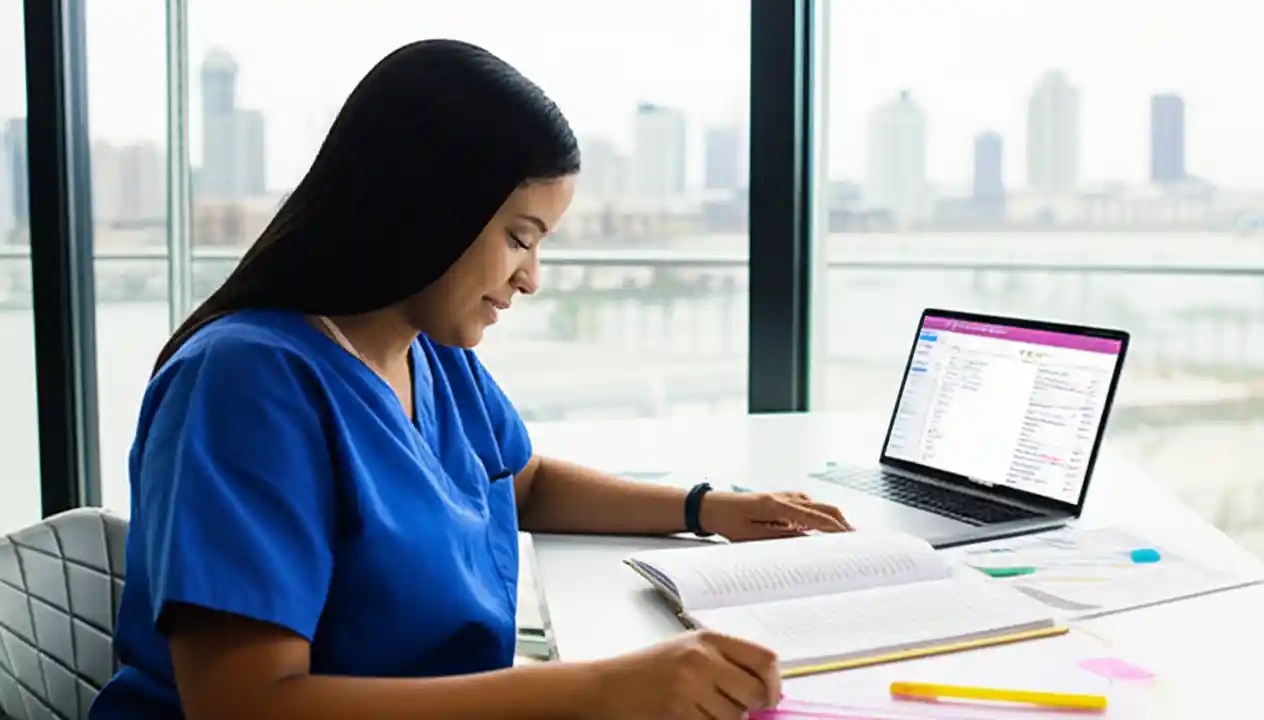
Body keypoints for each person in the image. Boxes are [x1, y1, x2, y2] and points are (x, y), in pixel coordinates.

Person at [90, 39, 851, 720]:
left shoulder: (431, 352)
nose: (531, 279)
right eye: (519, 238)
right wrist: (599, 690)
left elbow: (523, 483)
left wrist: (707, 508)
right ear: (429, 207)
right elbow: (245, 704)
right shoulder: (244, 385)